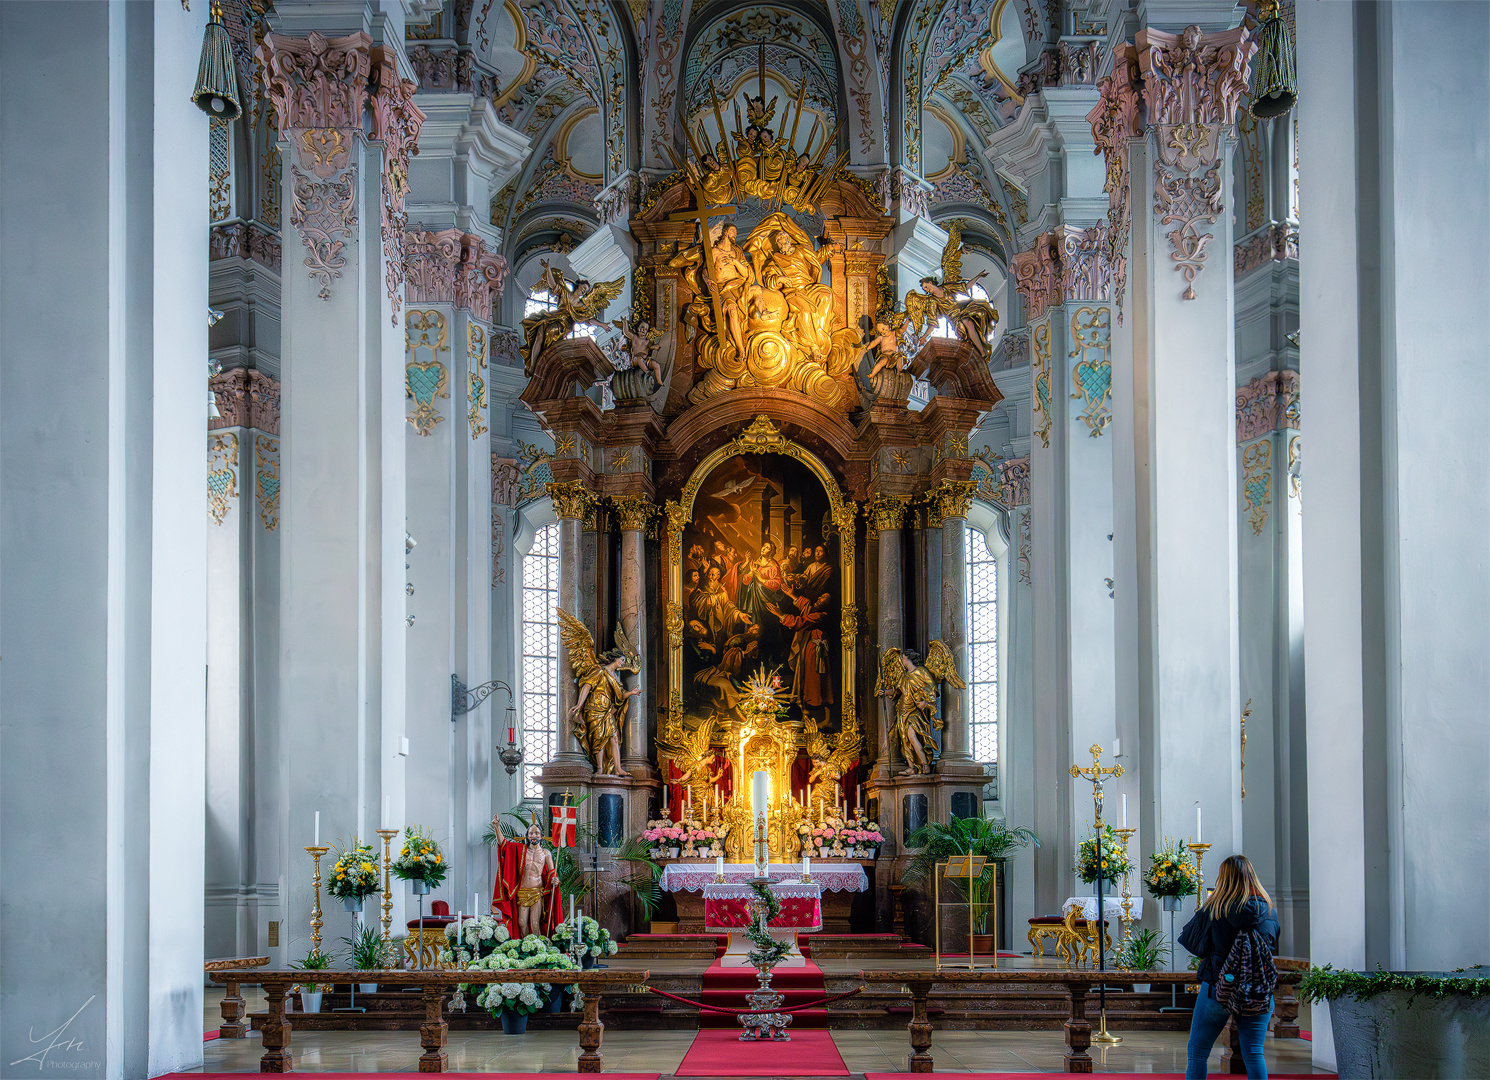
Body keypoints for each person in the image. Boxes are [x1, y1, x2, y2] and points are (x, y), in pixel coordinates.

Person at [1177, 854, 1280, 1079]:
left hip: (1218, 988)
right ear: (1251, 877)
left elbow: (1191, 942)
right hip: (1257, 990)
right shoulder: (1270, 911)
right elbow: (1273, 945)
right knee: (1254, 1053)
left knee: (1198, 1052)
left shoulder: (1215, 909)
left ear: (1223, 879)